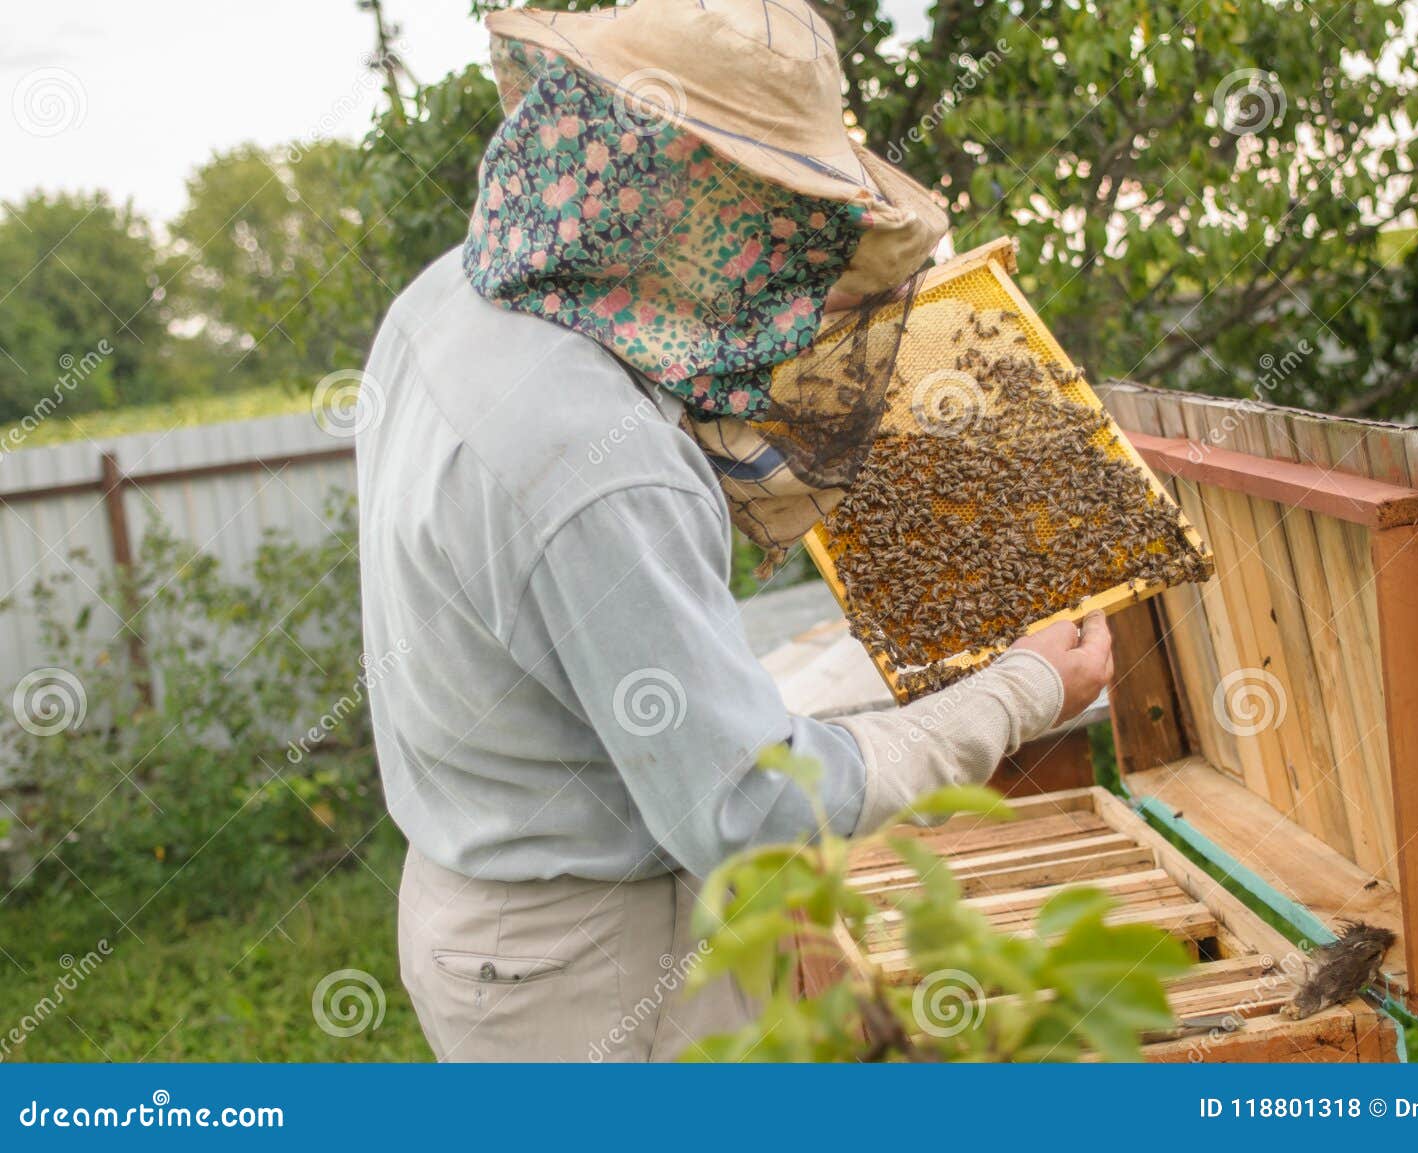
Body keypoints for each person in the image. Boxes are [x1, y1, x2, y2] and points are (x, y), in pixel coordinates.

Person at [356, 0, 1113, 1063]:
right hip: (599, 978)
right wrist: (1022, 688)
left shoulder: (454, 296)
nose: (785, 259)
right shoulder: (601, 465)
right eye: (769, 214)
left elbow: (546, 590)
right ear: (683, 197)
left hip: (484, 915)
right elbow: (753, 806)